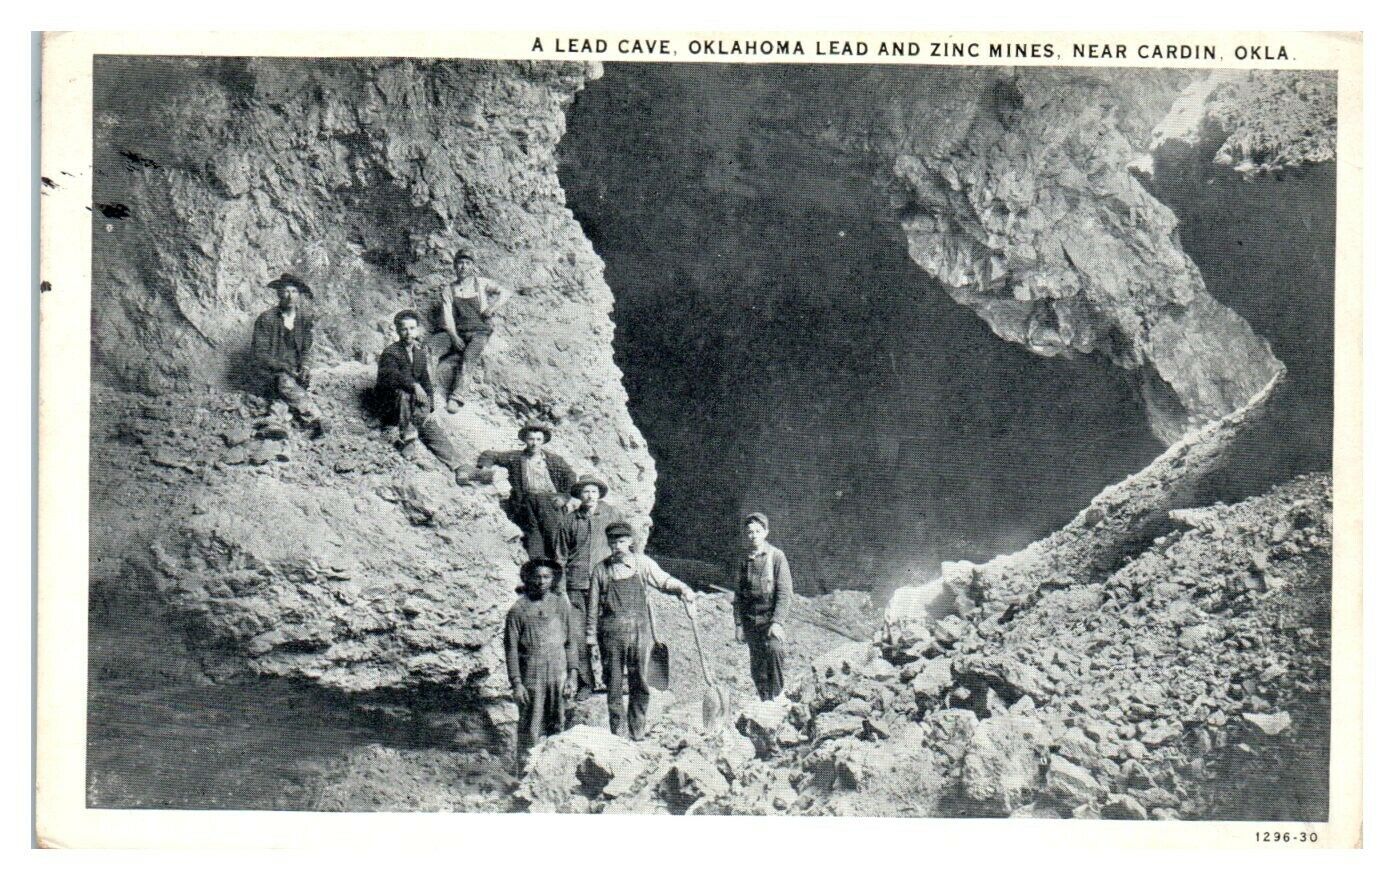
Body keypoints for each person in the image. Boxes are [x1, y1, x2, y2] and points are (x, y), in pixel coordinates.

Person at [586, 521, 696, 740]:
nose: (617, 546)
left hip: (640, 632)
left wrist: (682, 588)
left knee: (640, 682)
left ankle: (637, 731)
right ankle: (617, 733)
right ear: (608, 543)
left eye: (622, 541)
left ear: (630, 542)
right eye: (613, 541)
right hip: (611, 633)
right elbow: (592, 606)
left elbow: (663, 580)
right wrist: (590, 636)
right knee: (614, 684)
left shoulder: (642, 563)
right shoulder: (600, 570)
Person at [376, 309, 470, 484]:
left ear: (418, 330)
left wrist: (430, 406)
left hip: (411, 406)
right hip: (391, 406)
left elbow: (426, 381)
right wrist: (414, 385)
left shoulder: (419, 354)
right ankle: (408, 440)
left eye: (412, 328)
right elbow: (391, 376)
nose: (408, 333)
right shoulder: (390, 353)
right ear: (397, 331)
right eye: (404, 329)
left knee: (430, 425)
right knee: (404, 393)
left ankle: (460, 468)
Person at [554, 474, 624, 709]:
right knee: (578, 635)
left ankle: (613, 681)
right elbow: (560, 557)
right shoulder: (570, 520)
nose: (589, 495)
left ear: (599, 494)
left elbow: (627, 543)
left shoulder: (612, 515)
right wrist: (561, 589)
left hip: (605, 584)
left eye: (593, 491)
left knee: (608, 631)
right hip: (576, 585)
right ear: (579, 495)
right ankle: (586, 682)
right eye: (585, 492)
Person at [504, 559, 578, 772]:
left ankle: (555, 774)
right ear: (528, 579)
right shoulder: (518, 610)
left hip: (558, 673)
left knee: (560, 724)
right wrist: (517, 684)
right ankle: (526, 775)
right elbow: (511, 650)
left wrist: (572, 676)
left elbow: (571, 642)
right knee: (531, 727)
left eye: (546, 577)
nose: (541, 582)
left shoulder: (561, 604)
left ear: (553, 579)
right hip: (532, 675)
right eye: (537, 577)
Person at [426, 249, 518, 413]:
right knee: (431, 348)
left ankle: (457, 397)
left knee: (468, 357)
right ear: (455, 266)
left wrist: (493, 307)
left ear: (472, 266)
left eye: (467, 263)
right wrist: (454, 337)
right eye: (460, 263)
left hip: (479, 332)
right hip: (457, 331)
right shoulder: (449, 290)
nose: (463, 267)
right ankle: (428, 391)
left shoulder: (481, 283)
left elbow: (506, 292)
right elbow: (448, 317)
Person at [477, 425, 577, 561]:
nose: (534, 443)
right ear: (525, 439)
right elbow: (489, 455)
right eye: (531, 439)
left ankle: (560, 569)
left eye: (538, 439)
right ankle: (538, 568)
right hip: (526, 503)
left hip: (550, 502)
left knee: (554, 537)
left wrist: (564, 497)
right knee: (533, 538)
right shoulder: (515, 457)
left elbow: (571, 478)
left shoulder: (554, 460)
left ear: (543, 441)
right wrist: (484, 469)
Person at [250, 272, 325, 436]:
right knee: (282, 381)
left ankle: (276, 422)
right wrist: (282, 367)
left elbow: (307, 349)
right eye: (286, 291)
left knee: (286, 387)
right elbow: (259, 354)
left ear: (299, 295)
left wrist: (305, 366)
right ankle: (314, 415)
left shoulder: (304, 319)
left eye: (294, 292)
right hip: (268, 372)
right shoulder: (267, 319)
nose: (290, 296)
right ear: (278, 294)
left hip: (293, 374)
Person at [731, 513, 793, 701]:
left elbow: (784, 593)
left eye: (758, 531)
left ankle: (778, 697)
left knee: (775, 651)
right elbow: (738, 596)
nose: (754, 536)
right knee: (757, 664)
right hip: (751, 622)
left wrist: (778, 622)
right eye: (750, 532)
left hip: (770, 620)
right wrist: (739, 625)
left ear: (766, 532)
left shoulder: (776, 557)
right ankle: (765, 700)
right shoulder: (744, 560)